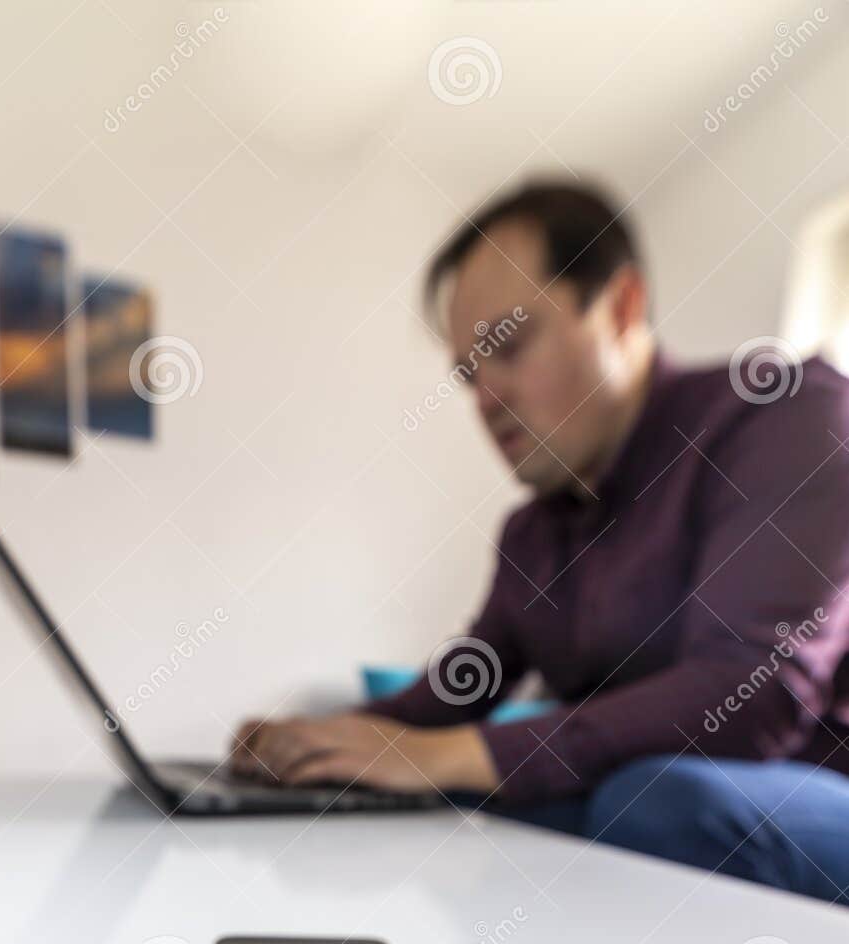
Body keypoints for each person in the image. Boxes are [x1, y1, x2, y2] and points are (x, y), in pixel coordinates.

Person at [232, 180, 849, 905]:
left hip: (804, 785)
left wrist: (457, 755)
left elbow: (754, 693)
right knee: (499, 796)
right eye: (467, 373)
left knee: (653, 798)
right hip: (640, 799)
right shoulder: (531, 533)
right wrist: (322, 743)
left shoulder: (781, 415)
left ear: (620, 308)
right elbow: (459, 690)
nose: (484, 400)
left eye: (509, 347)